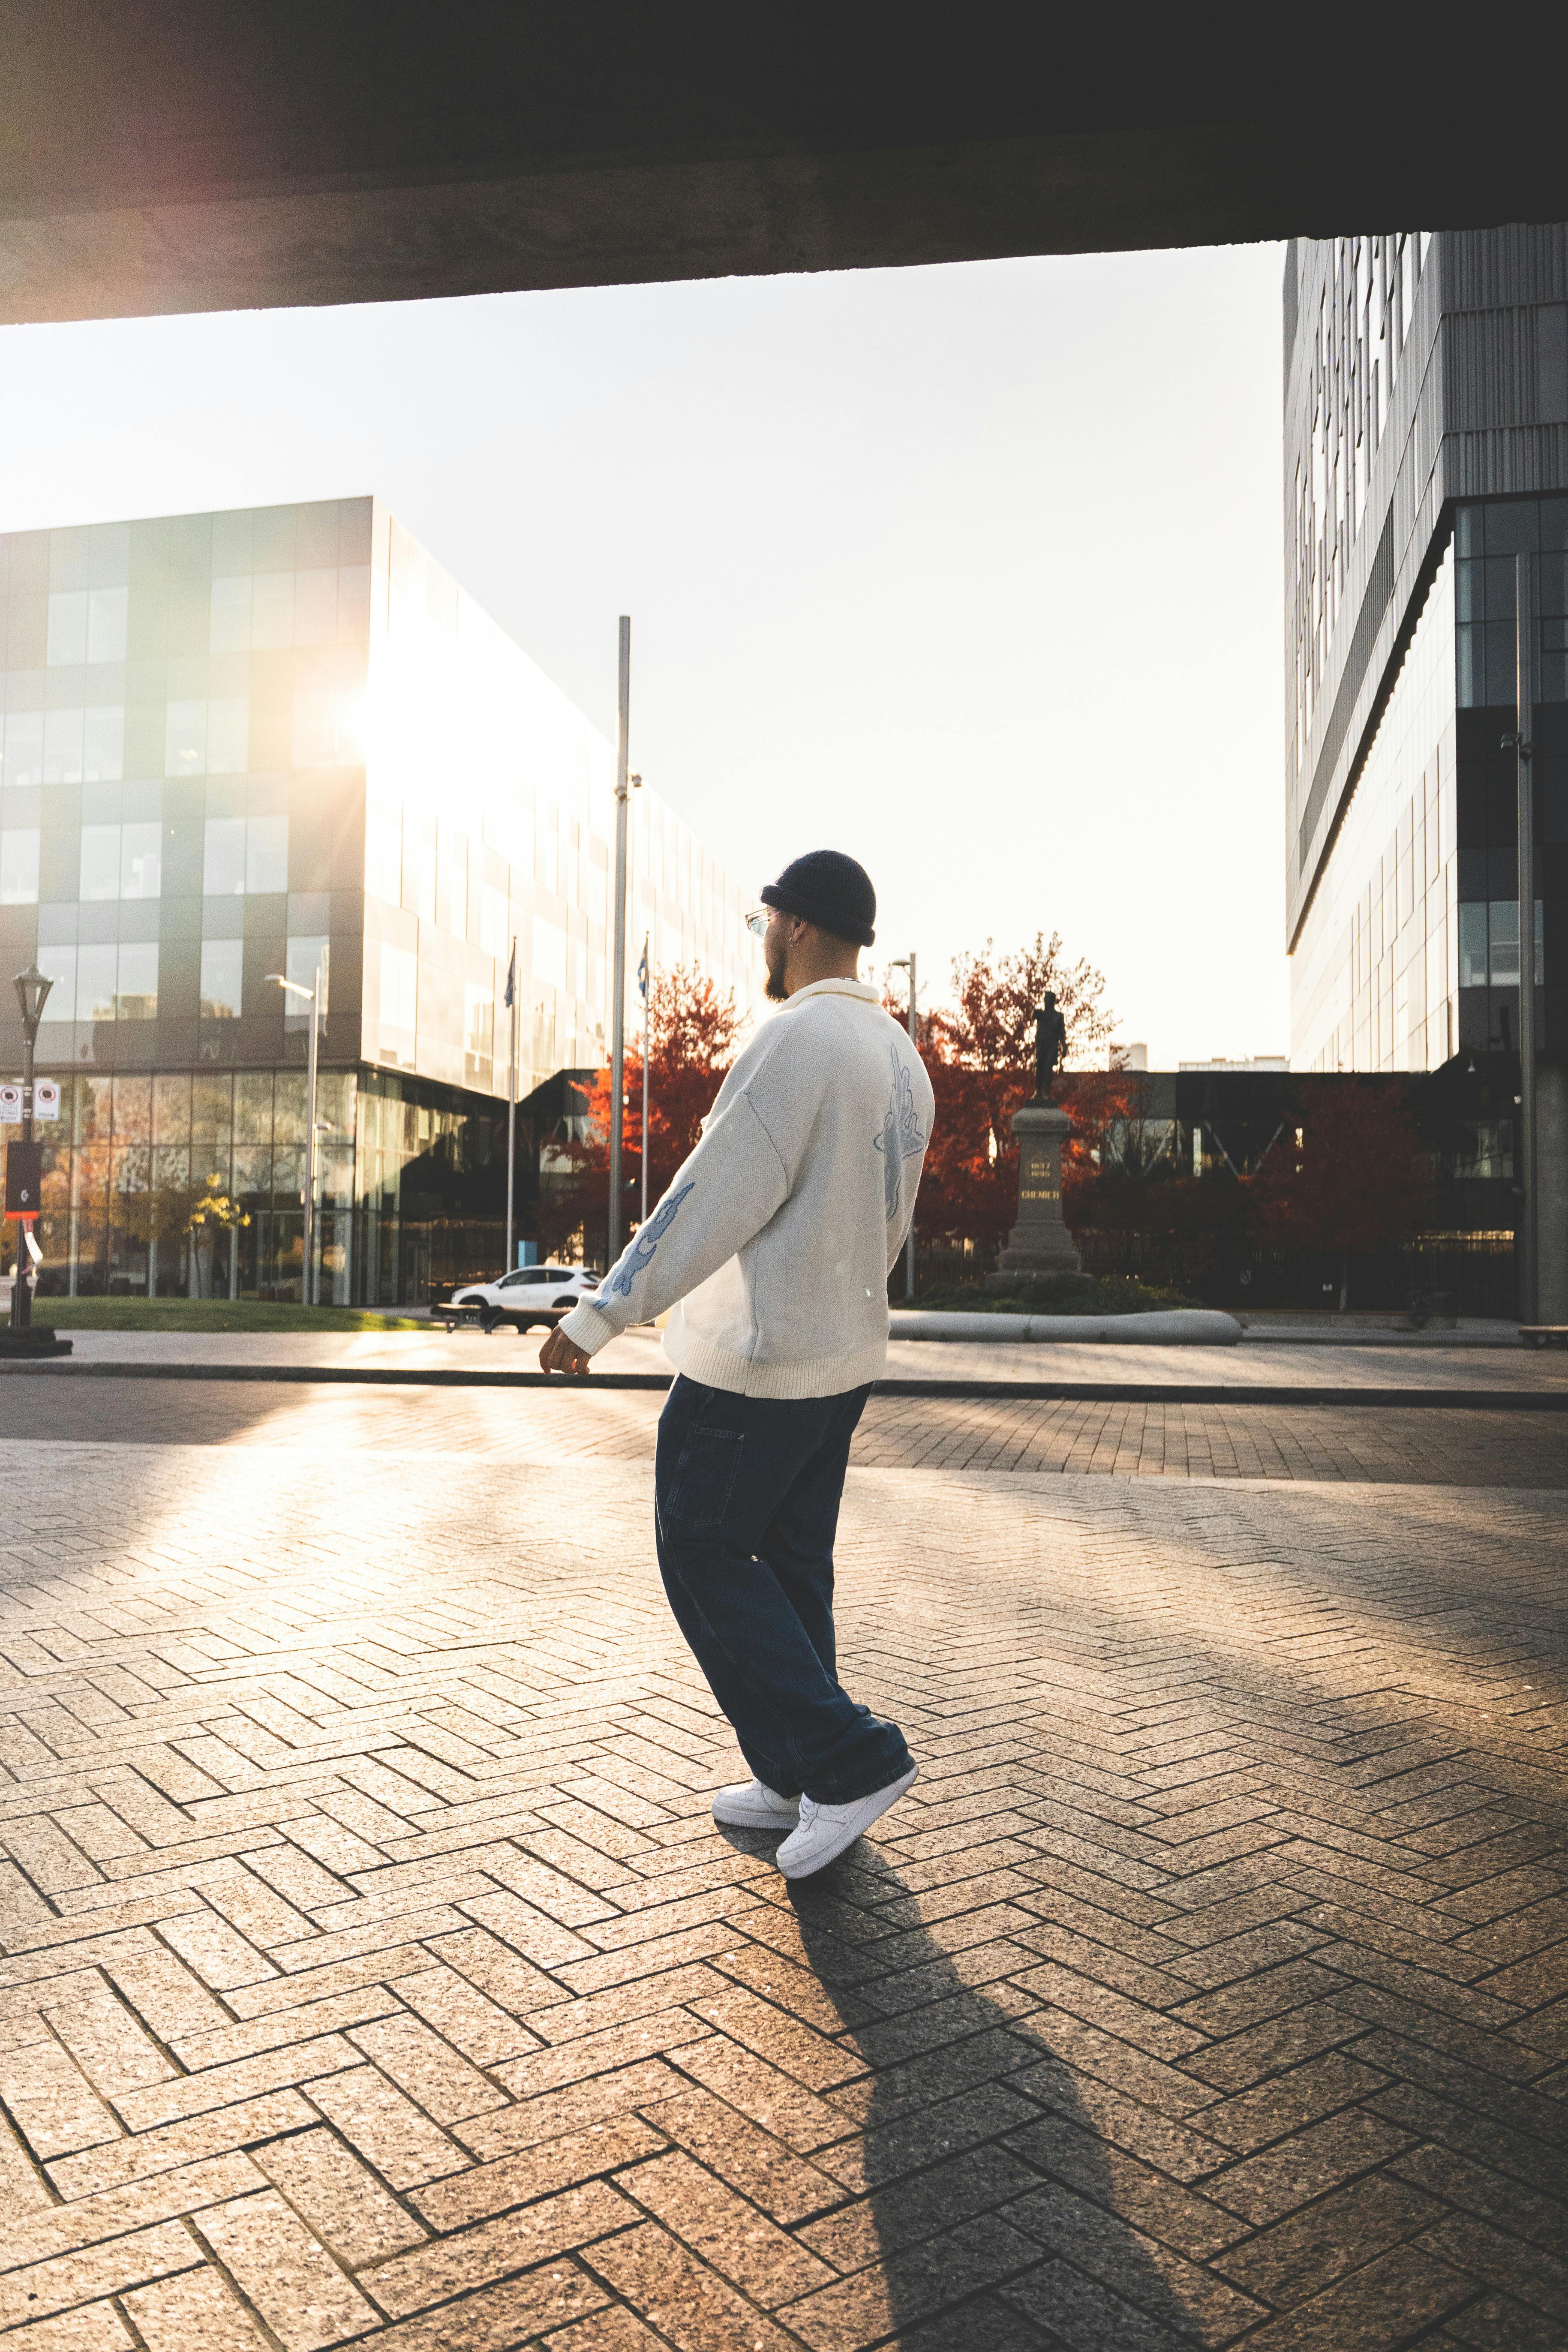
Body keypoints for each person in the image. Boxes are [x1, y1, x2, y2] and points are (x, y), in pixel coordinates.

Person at [540, 850, 934, 1879]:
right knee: (793, 1565)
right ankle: (797, 1773)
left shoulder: (795, 1040)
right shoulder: (899, 1056)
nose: (763, 936)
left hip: (754, 1364)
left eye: (768, 920)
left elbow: (708, 1194)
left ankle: (850, 1758)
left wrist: (597, 1315)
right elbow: (892, 1221)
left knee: (703, 1550)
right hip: (840, 1356)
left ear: (797, 925)